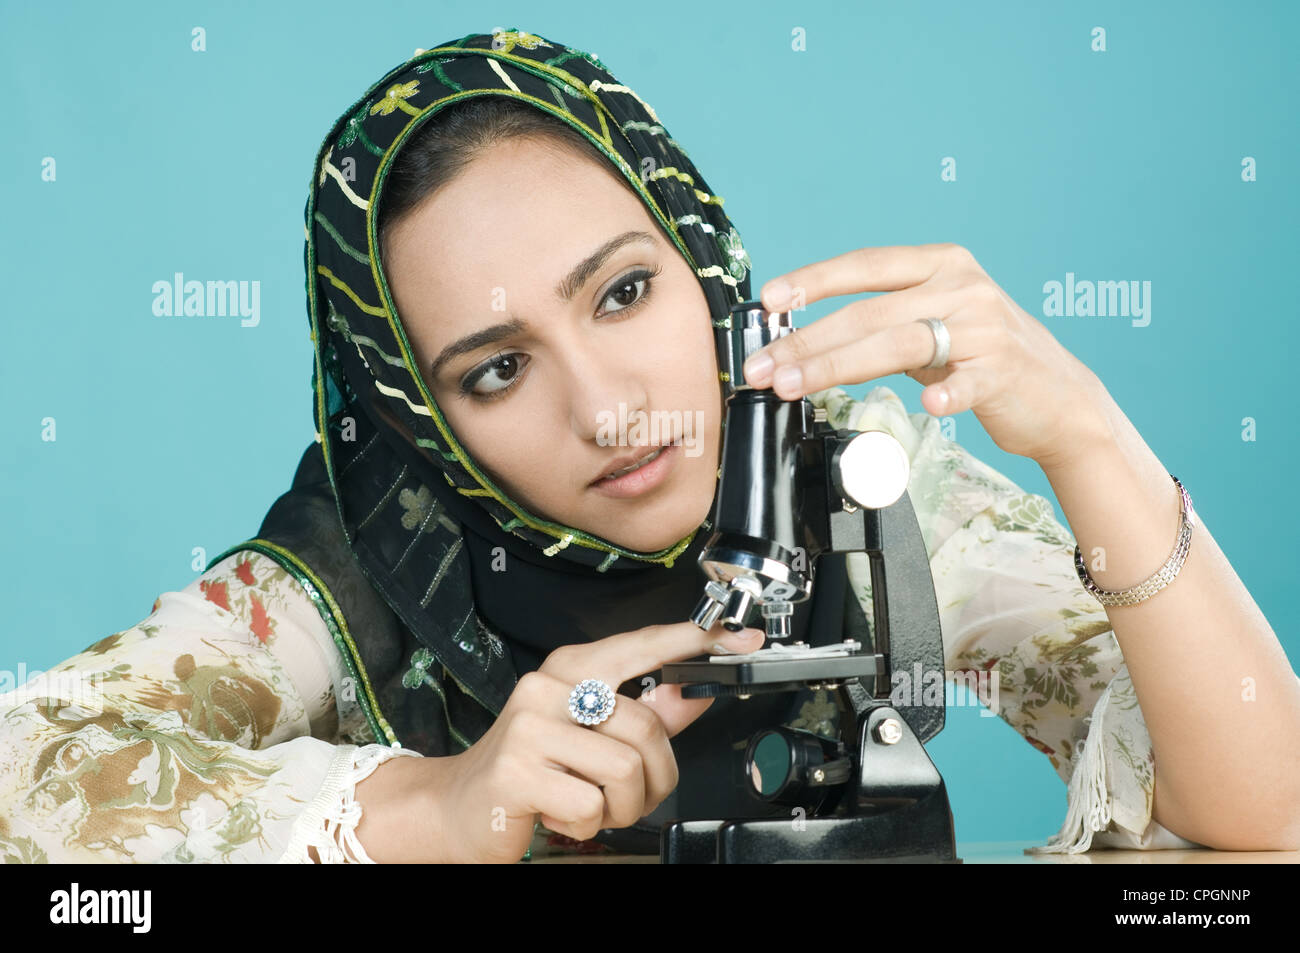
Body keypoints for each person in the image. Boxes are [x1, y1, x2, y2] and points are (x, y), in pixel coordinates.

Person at [2, 28, 1296, 864]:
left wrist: (1087, 434)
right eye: (498, 370)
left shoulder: (854, 477)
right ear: (419, 416)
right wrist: (438, 809)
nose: (609, 409)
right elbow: (20, 777)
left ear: (702, 259)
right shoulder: (352, 579)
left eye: (622, 292)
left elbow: (1264, 815)